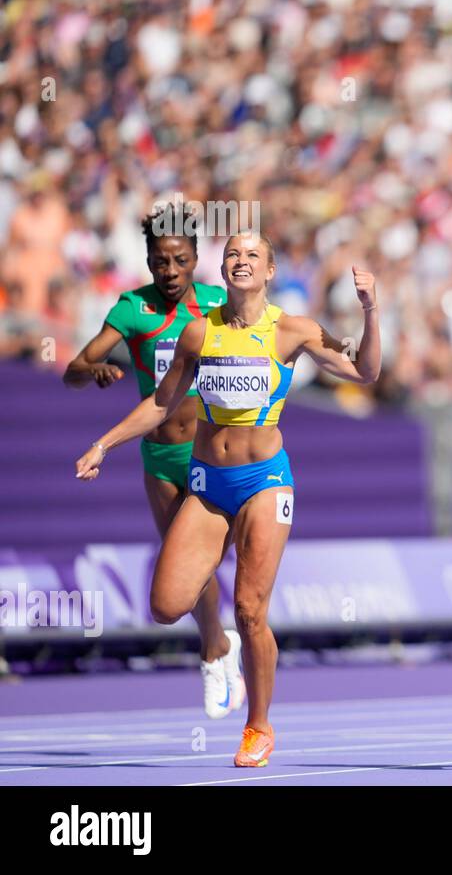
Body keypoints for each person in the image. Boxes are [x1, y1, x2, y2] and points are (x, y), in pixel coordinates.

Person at [76, 232, 381, 767]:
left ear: (269, 272)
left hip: (264, 482)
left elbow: (367, 371)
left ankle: (258, 725)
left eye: (252, 256)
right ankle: (221, 648)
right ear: (223, 270)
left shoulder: (292, 330)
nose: (241, 261)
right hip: (208, 484)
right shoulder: (199, 333)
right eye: (233, 254)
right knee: (167, 605)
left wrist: (371, 309)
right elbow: (161, 404)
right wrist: (104, 443)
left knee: (249, 609)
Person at [64, 207, 240, 719]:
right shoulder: (131, 309)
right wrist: (92, 369)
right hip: (160, 457)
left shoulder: (217, 304)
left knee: (209, 559)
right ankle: (214, 650)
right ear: (147, 260)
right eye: (160, 262)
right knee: (186, 565)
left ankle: (219, 645)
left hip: (210, 451)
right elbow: (73, 369)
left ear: (195, 260)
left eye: (180, 261)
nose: (169, 272)